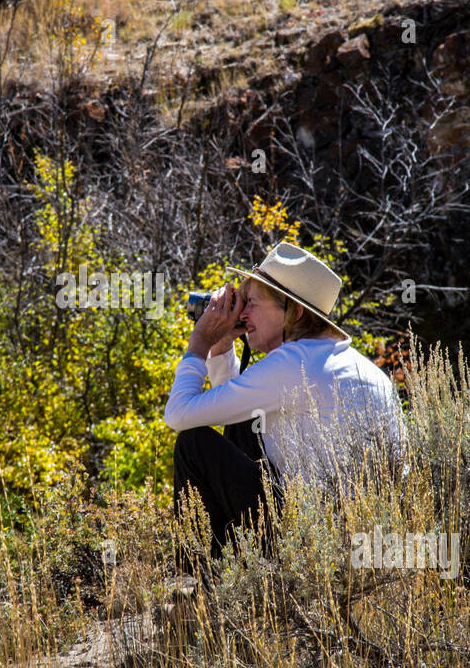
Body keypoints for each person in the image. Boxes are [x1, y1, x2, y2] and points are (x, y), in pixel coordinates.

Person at [165, 241, 403, 567]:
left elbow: (179, 414)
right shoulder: (347, 362)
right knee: (245, 421)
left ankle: (199, 581)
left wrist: (200, 344)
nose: (243, 314)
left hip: (310, 540)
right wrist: (222, 347)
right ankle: (233, 575)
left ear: (295, 312)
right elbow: (234, 409)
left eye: (251, 304)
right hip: (362, 540)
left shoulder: (293, 362)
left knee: (193, 444)